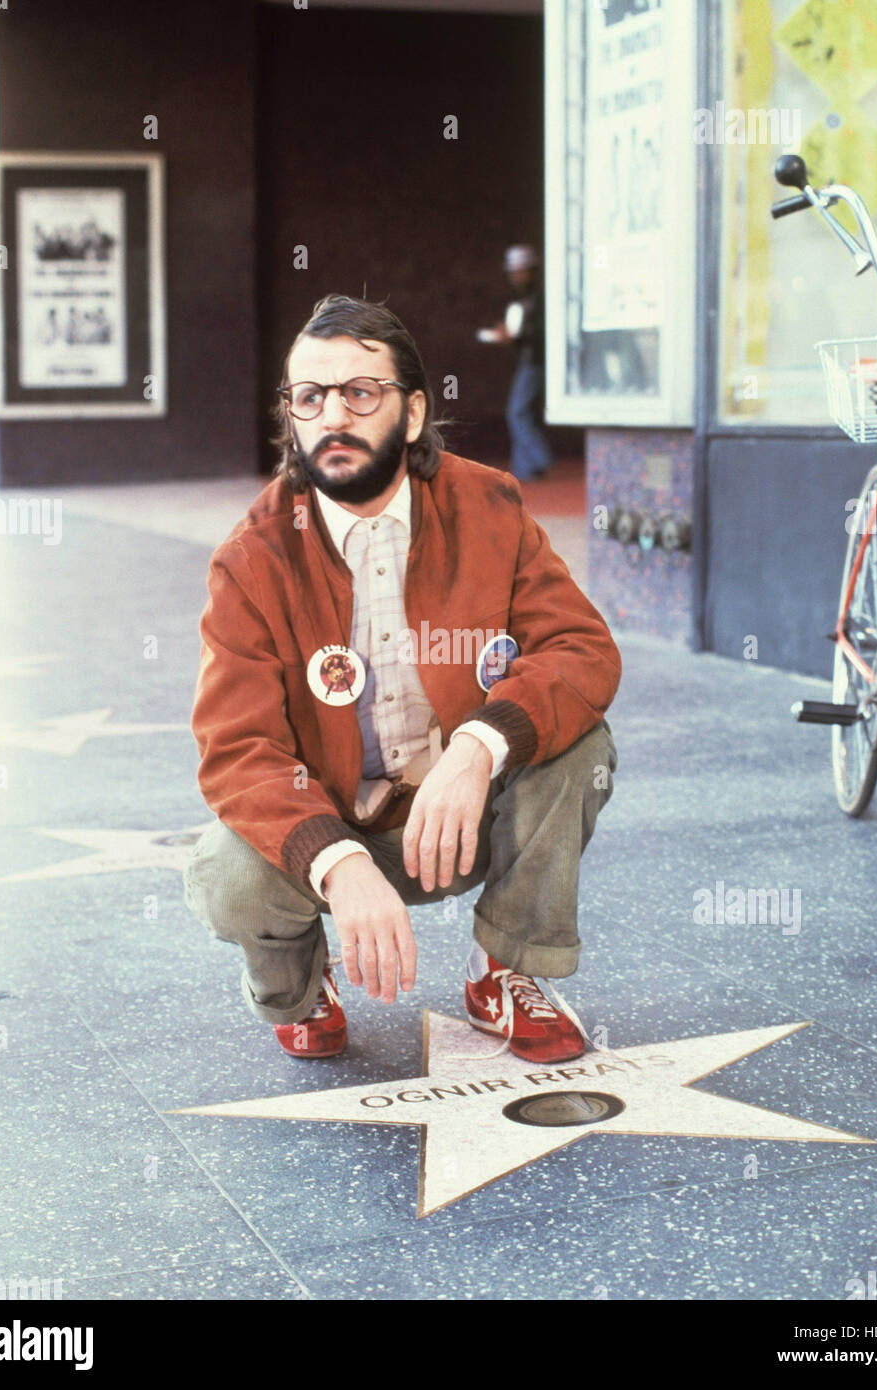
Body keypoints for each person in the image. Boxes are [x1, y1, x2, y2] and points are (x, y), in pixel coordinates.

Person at [183, 294, 620, 1063]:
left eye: (361, 392)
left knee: (580, 748)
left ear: (413, 413)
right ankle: (300, 984)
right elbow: (237, 748)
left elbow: (581, 649)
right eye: (309, 397)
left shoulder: (488, 506)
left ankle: (504, 971)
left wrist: (481, 744)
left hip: (464, 812)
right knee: (228, 875)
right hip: (338, 823)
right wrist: (339, 862)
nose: (333, 416)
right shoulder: (252, 559)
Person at [477, 244, 553, 482]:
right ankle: (525, 468)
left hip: (536, 362)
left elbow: (542, 333)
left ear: (530, 270)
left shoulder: (540, 298)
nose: (514, 276)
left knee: (517, 413)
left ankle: (541, 458)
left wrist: (516, 335)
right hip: (528, 360)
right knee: (522, 413)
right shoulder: (526, 298)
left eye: (519, 271)